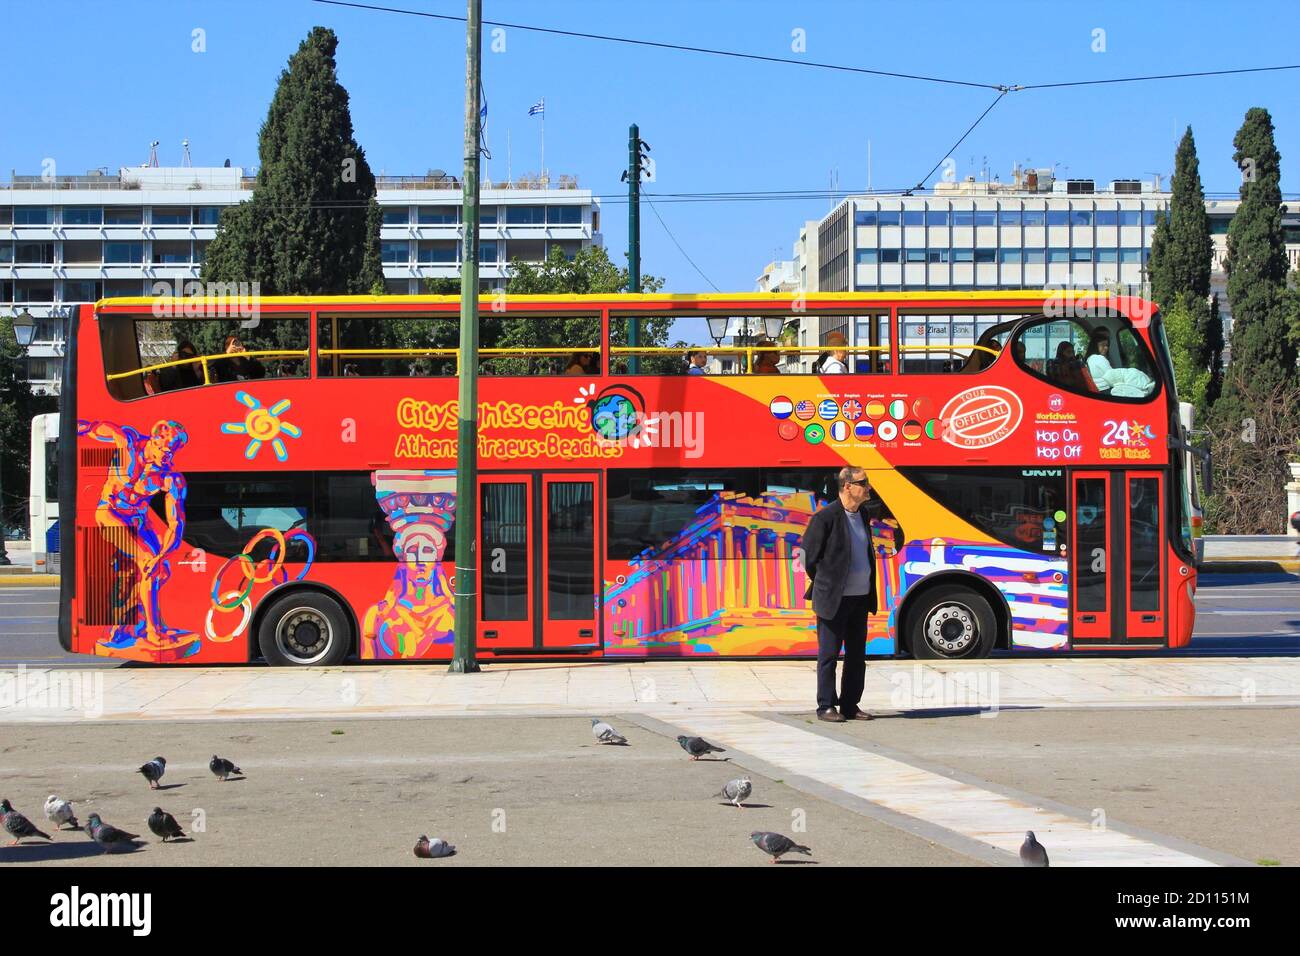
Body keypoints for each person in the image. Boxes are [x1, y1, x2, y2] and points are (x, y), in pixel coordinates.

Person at [800, 467, 899, 722]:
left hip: (860, 598)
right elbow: (809, 558)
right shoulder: (825, 518)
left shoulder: (862, 514)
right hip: (834, 598)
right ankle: (825, 706)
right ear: (847, 486)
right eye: (863, 483)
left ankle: (850, 705)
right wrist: (827, 581)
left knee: (856, 656)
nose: (868, 488)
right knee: (829, 654)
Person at [1085, 329, 1154, 397]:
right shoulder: (1098, 358)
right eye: (1102, 345)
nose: (1106, 348)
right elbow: (1112, 376)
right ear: (1095, 346)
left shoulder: (1089, 359)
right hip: (1106, 390)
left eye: (1107, 345)